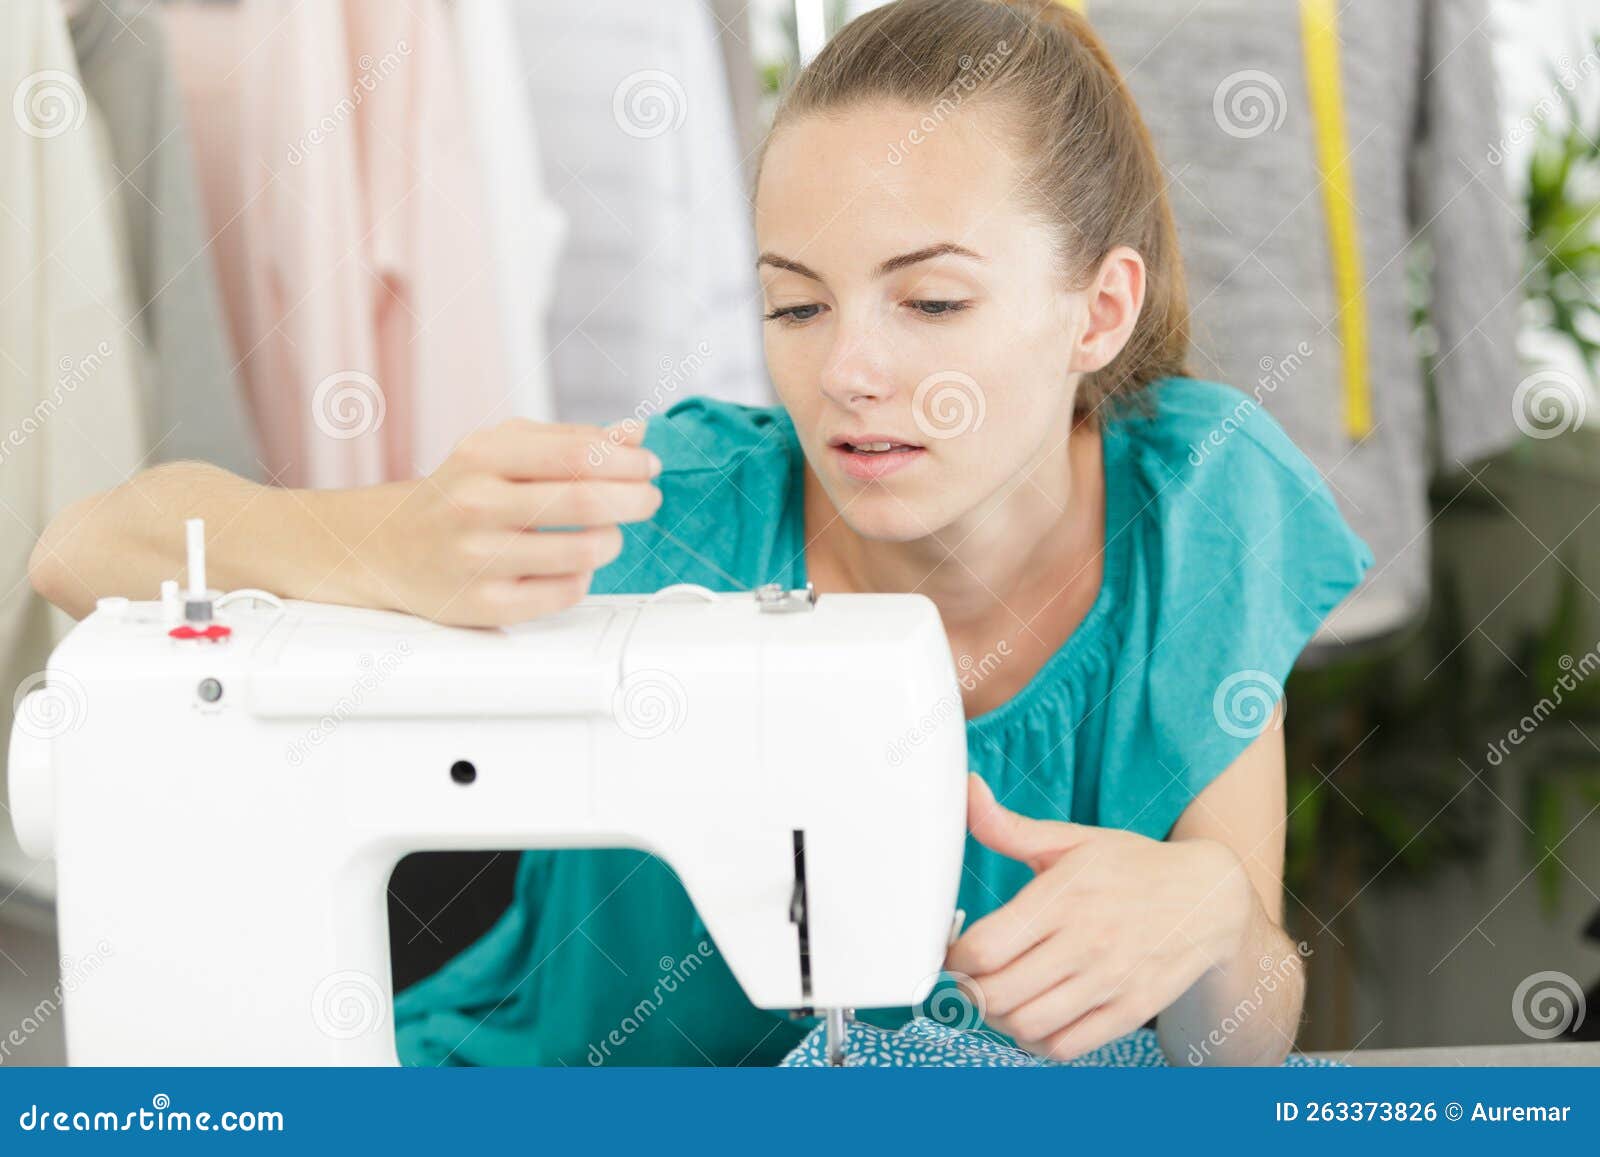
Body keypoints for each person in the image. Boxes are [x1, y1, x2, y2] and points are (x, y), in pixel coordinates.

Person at [29, 0, 1371, 1066]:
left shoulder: (1200, 514)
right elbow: (86, 548)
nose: (848, 372)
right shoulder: (679, 510)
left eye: (933, 304)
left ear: (1098, 308)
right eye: (797, 307)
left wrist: (1211, 918)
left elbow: (1235, 1055)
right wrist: (392, 544)